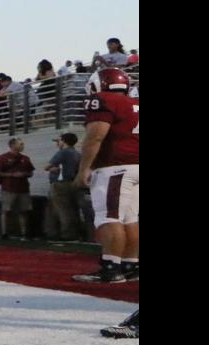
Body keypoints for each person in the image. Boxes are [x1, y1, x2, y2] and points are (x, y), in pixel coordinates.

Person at [71, 65, 139, 284]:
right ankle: (131, 264)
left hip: (115, 167)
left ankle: (111, 268)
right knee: (130, 218)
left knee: (108, 217)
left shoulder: (103, 99)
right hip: (135, 166)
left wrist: (83, 169)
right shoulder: (134, 103)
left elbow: (95, 137)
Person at [0, 138, 34, 239]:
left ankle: (24, 233)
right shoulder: (2, 158)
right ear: (13, 145)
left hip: (23, 188)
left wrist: (24, 174)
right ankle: (4, 233)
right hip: (8, 188)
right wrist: (12, 175)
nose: (23, 146)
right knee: (6, 210)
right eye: (21, 144)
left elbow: (30, 172)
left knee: (24, 211)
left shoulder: (25, 158)